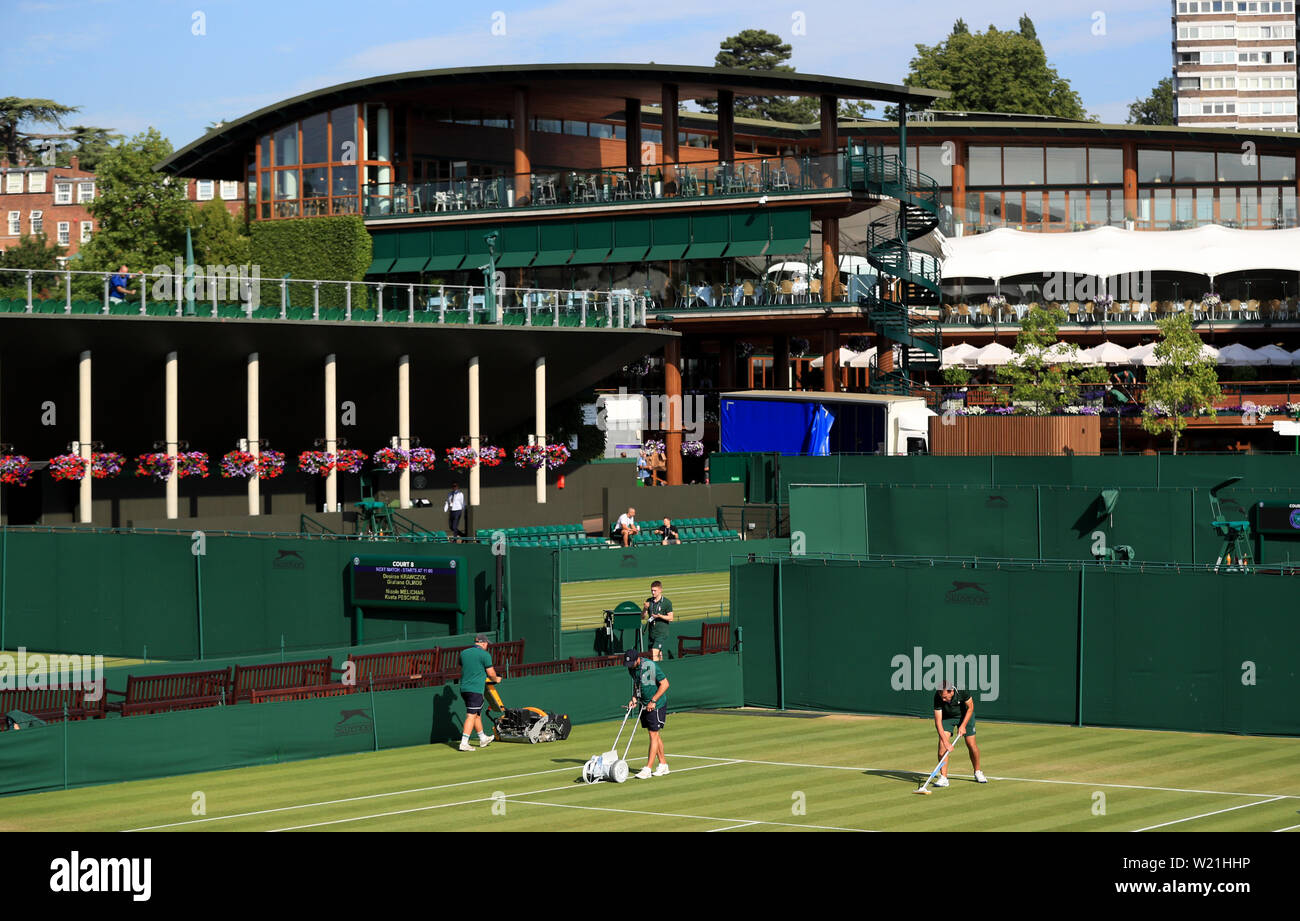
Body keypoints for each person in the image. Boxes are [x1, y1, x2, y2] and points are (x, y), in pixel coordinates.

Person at [625, 648, 669, 778]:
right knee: (654, 734)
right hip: (644, 704)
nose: (630, 666)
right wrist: (634, 698)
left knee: (653, 734)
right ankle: (663, 765)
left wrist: (653, 701)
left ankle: (648, 769)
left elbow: (665, 684)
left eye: (631, 663)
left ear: (637, 659)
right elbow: (636, 684)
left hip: (656, 704)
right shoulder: (631, 668)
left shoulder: (651, 665)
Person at [932, 679, 987, 786]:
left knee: (971, 744)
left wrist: (963, 726)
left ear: (951, 691)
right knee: (942, 748)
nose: (943, 699)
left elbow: (971, 707)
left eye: (945, 697)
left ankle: (978, 772)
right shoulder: (938, 696)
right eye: (941, 696)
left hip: (965, 716)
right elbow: (938, 721)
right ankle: (943, 777)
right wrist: (946, 742)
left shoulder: (962, 690)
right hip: (948, 718)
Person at [458, 634, 500, 751]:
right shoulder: (485, 655)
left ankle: (483, 738)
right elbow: (491, 674)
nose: (487, 646)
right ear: (483, 643)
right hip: (475, 690)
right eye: (487, 643)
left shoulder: (463, 653)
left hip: (464, 689)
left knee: (477, 714)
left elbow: (465, 667)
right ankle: (464, 743)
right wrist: (496, 679)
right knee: (471, 716)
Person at [643, 579, 674, 661]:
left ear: (660, 590)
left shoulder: (666, 602)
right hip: (651, 632)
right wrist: (645, 608)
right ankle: (662, 670)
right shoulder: (649, 601)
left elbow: (671, 618)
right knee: (656, 654)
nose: (653, 593)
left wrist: (660, 616)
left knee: (654, 653)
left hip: (661, 633)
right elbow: (642, 617)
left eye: (655, 591)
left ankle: (655, 672)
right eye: (652, 590)